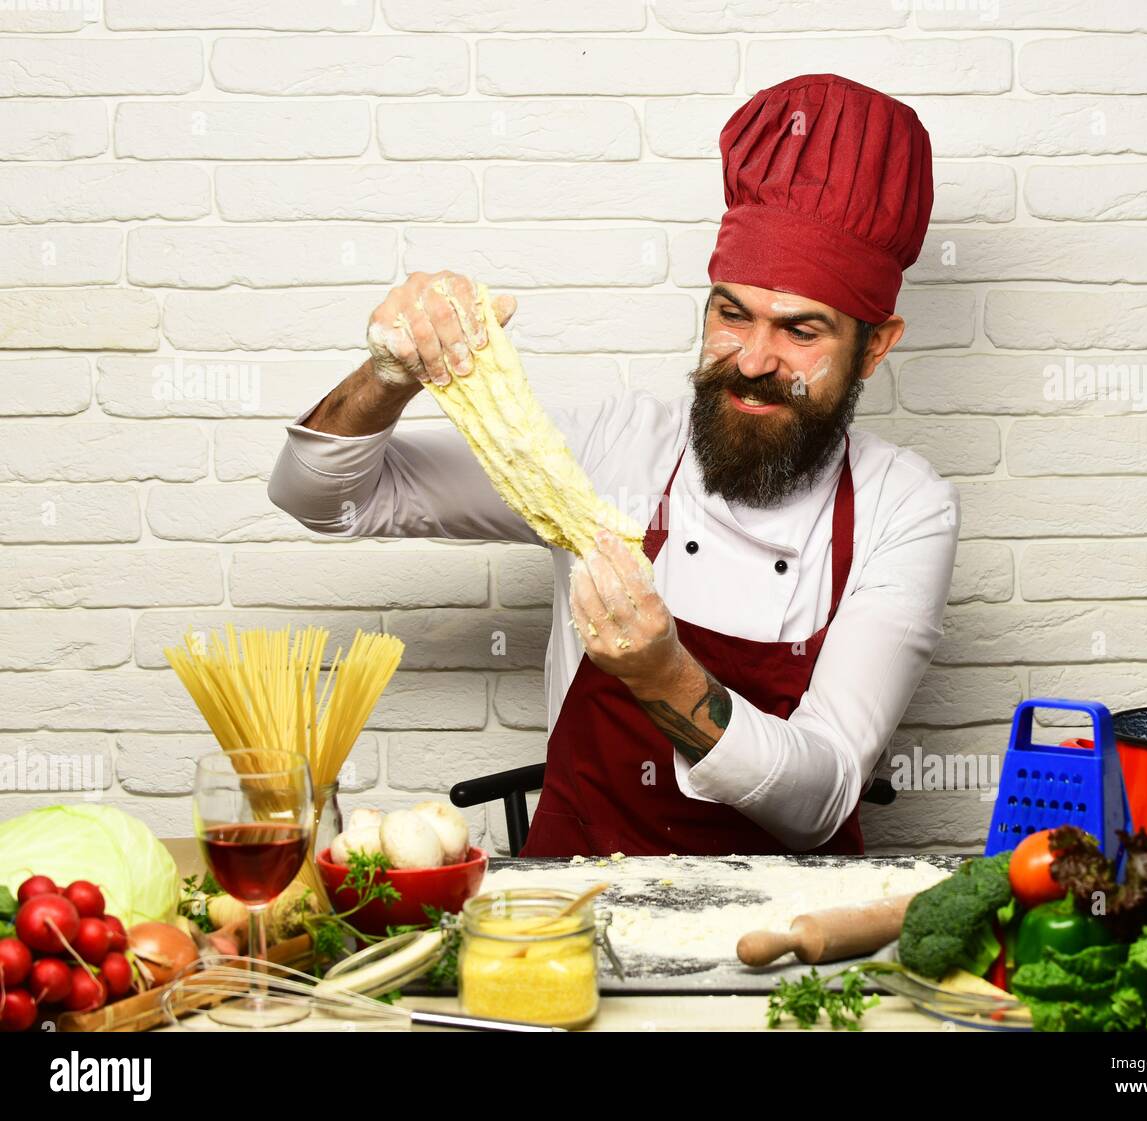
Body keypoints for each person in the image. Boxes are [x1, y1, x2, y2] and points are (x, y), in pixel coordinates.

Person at [269, 74, 959, 857]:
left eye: (803, 331)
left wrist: (664, 674)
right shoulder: (614, 450)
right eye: (732, 313)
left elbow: (822, 797)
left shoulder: (904, 505)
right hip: (573, 898)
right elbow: (320, 494)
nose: (755, 359)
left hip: (792, 923)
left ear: (877, 344)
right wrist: (388, 375)